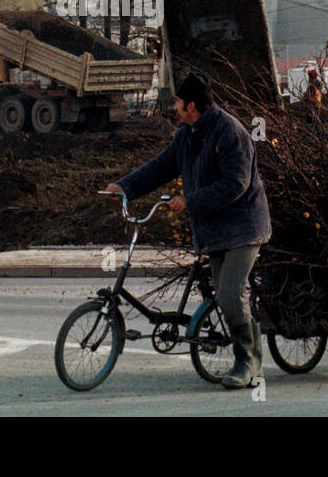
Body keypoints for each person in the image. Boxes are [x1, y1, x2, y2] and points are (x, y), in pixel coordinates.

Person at [106, 71, 272, 388]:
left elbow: (235, 184)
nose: (175, 107)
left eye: (178, 102)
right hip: (219, 230)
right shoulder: (188, 134)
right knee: (227, 297)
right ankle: (251, 359)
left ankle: (248, 364)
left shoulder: (229, 132)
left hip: (244, 227)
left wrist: (190, 201)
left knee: (230, 295)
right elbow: (160, 167)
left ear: (191, 106)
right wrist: (125, 187)